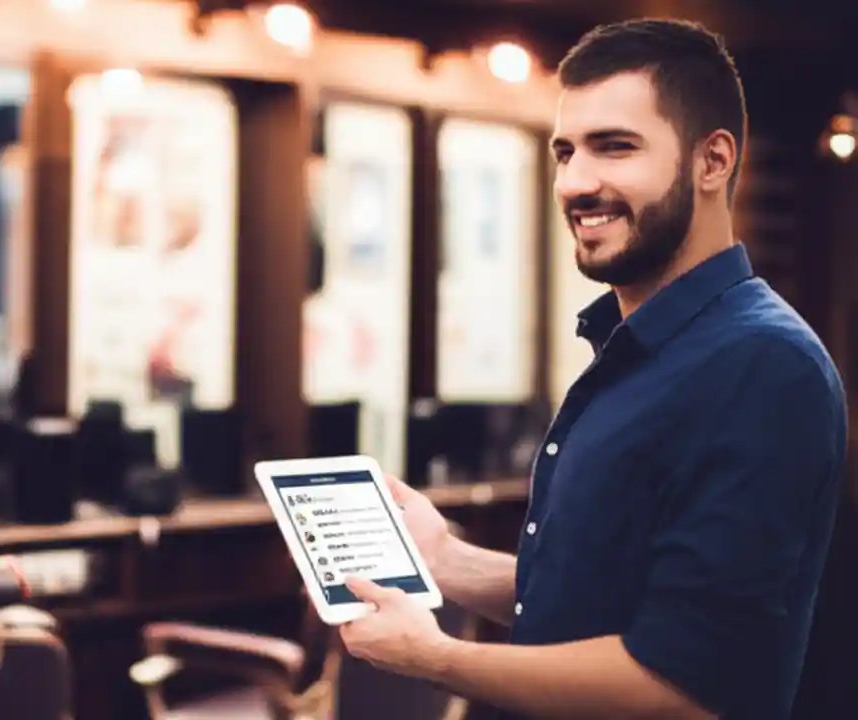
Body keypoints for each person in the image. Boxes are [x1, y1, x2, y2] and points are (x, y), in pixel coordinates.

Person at [339, 19, 846, 720]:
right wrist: (447, 560)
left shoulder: (765, 367)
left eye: (615, 148)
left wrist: (434, 656)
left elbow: (681, 686)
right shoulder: (634, 349)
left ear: (713, 161)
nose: (576, 183)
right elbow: (593, 600)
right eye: (565, 152)